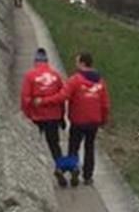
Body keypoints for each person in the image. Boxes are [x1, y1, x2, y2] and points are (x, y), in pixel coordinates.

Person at [36, 52, 109, 186]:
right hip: (94, 121)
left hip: (78, 120)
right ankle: (88, 176)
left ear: (82, 63)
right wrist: (103, 120)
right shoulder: (100, 81)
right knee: (89, 147)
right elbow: (105, 104)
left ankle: (73, 169)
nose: (75, 65)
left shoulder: (75, 80)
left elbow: (62, 96)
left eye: (77, 62)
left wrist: (43, 101)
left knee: (74, 147)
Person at [19, 48, 68, 187]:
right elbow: (62, 98)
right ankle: (60, 168)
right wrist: (62, 117)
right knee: (54, 145)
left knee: (32, 145)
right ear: (47, 61)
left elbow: (25, 97)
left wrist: (26, 114)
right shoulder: (56, 76)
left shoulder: (30, 75)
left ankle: (31, 177)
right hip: (53, 116)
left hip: (36, 117)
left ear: (35, 61)